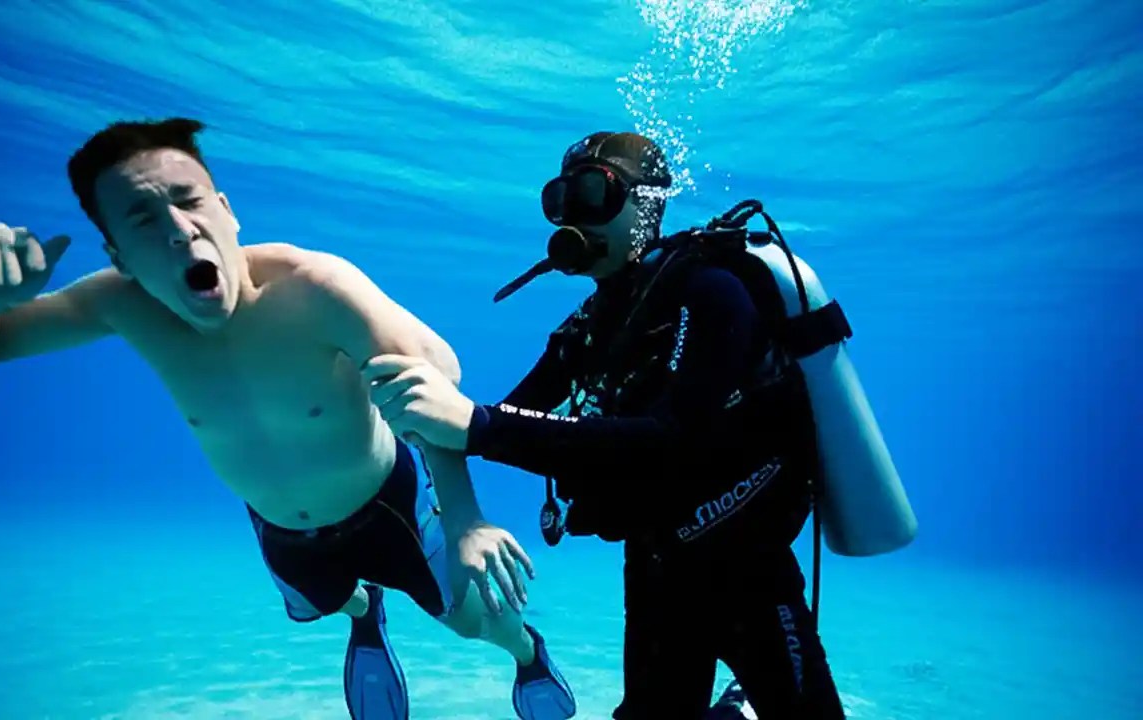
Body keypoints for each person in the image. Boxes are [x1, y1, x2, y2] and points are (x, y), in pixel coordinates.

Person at [0, 117, 577, 720]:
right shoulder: (120, 305)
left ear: (227, 212)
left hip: (388, 504)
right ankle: (363, 610)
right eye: (142, 221)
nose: (178, 230)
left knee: (476, 620)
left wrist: (465, 520)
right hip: (280, 525)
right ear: (119, 258)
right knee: (315, 606)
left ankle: (526, 654)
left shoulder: (315, 288)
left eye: (189, 200)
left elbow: (427, 388)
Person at [361, 131, 856, 719]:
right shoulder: (591, 327)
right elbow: (499, 416)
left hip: (748, 568)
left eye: (593, 194)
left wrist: (478, 426)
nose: (573, 216)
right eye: (561, 199)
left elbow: (670, 439)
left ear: (646, 204)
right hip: (656, 566)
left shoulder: (710, 291)